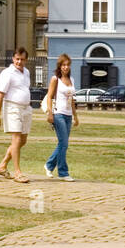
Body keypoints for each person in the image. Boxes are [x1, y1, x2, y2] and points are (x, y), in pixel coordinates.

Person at [0, 47, 32, 182]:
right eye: (17, 59)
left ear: (26, 60)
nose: (19, 62)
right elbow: (0, 95)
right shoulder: (7, 73)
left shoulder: (26, 72)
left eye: (22, 59)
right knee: (15, 139)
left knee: (23, 141)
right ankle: (17, 172)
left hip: (26, 108)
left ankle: (2, 165)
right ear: (13, 58)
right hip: (12, 107)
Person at [44, 53, 78, 181]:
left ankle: (49, 165)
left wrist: (75, 116)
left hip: (68, 115)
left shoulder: (72, 80)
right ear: (60, 66)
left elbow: (72, 100)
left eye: (68, 65)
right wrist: (50, 113)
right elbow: (49, 96)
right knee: (64, 143)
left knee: (62, 144)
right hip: (58, 114)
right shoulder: (55, 79)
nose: (66, 67)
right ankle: (63, 172)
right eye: (63, 65)